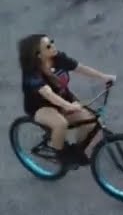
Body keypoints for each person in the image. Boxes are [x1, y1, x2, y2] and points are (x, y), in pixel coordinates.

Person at [18, 34, 115, 166]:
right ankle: (60, 155)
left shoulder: (58, 58)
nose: (53, 46)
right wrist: (68, 106)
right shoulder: (32, 73)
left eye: (51, 42)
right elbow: (47, 94)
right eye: (48, 46)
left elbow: (80, 68)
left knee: (91, 122)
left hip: (63, 100)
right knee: (60, 124)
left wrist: (104, 77)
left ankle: (78, 150)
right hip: (41, 106)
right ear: (39, 55)